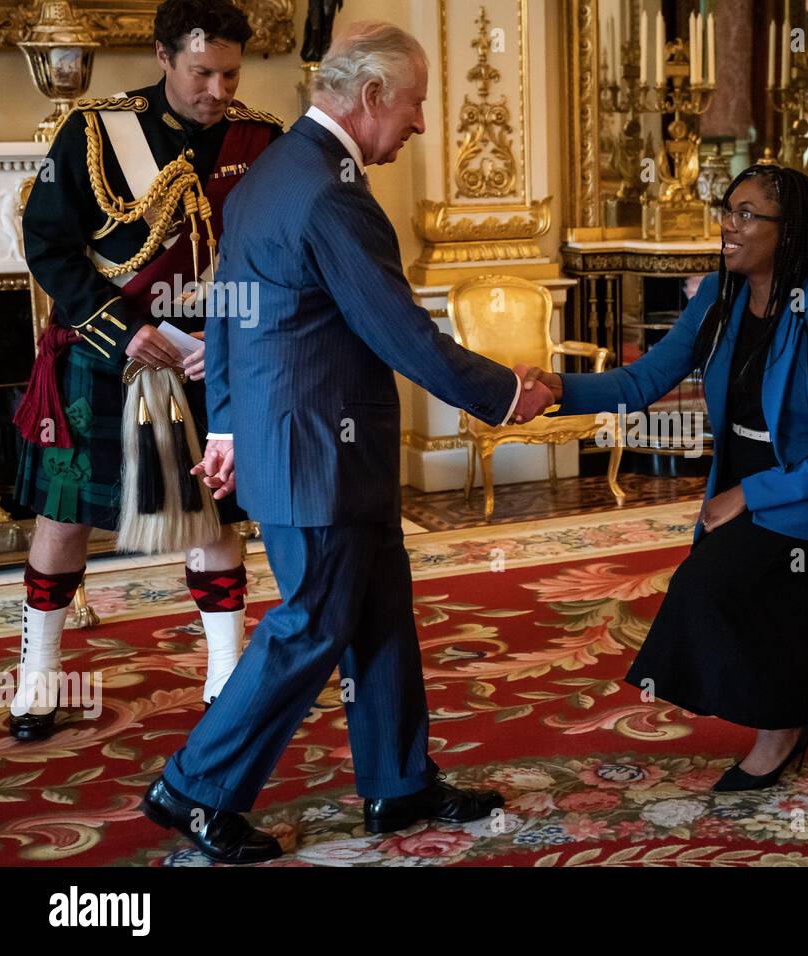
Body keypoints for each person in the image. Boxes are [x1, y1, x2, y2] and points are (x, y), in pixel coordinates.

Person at [141, 21, 556, 864]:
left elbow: (228, 313)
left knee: (379, 622)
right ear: (371, 97)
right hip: (317, 459)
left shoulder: (270, 171)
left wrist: (224, 422)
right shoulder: (330, 193)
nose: (420, 124)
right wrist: (506, 393)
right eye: (415, 106)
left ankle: (397, 784)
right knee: (311, 626)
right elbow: (402, 333)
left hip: (315, 448)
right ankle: (194, 786)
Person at [521, 165, 808, 793]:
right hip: (738, 475)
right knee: (778, 605)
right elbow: (641, 380)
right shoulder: (719, 298)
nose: (728, 226)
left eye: (746, 214)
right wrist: (559, 388)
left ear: (787, 228)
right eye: (727, 210)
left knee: (709, 591)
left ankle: (781, 729)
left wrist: (751, 494)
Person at [7, 0, 284, 741]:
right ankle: (39, 677)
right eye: (201, 73)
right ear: (163, 57)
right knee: (64, 518)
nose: (218, 90)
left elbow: (278, 254)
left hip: (212, 358)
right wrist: (123, 333)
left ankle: (225, 674)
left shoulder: (262, 140)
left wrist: (232, 340)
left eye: (230, 73)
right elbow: (51, 249)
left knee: (216, 515)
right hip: (108, 357)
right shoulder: (96, 132)